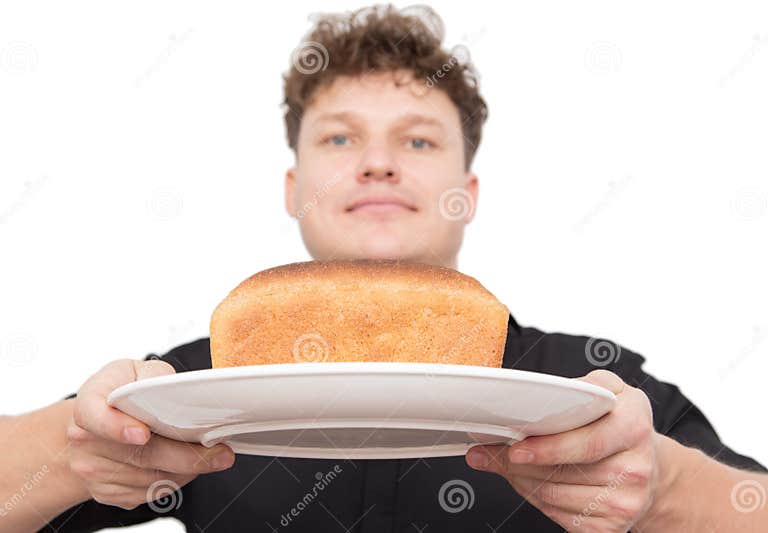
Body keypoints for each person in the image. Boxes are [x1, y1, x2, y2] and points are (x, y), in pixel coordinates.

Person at [2, 5, 766, 532]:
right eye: (338, 139)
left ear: (467, 193)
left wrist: (663, 487)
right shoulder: (189, 388)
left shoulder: (591, 393)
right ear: (294, 191)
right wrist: (72, 448)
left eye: (419, 140)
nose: (376, 163)